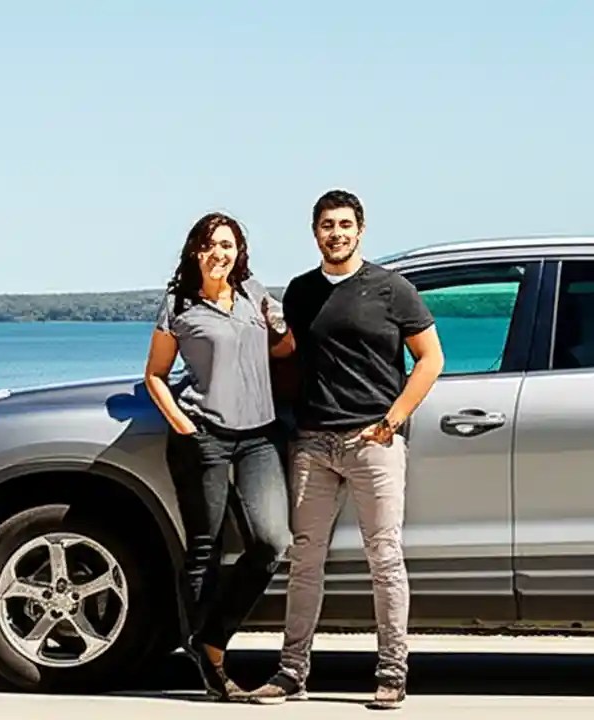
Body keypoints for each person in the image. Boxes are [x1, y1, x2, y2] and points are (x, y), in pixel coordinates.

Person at [247, 189, 444, 710]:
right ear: (315, 233)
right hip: (313, 441)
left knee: (385, 556)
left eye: (344, 225)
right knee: (304, 560)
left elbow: (430, 359)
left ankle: (392, 672)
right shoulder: (301, 291)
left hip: (372, 441)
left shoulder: (391, 289)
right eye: (326, 226)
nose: (336, 233)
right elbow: (287, 357)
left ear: (360, 230)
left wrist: (393, 420)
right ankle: (292, 672)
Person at [143, 211, 295, 701]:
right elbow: (155, 376)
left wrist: (278, 324)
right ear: (195, 252)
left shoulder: (253, 292)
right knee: (205, 547)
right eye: (210, 245)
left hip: (259, 436)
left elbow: (285, 349)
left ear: (238, 252)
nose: (219, 254)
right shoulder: (178, 305)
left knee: (271, 542)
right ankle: (208, 659)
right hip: (203, 433)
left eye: (227, 245)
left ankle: (209, 638)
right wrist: (183, 425)